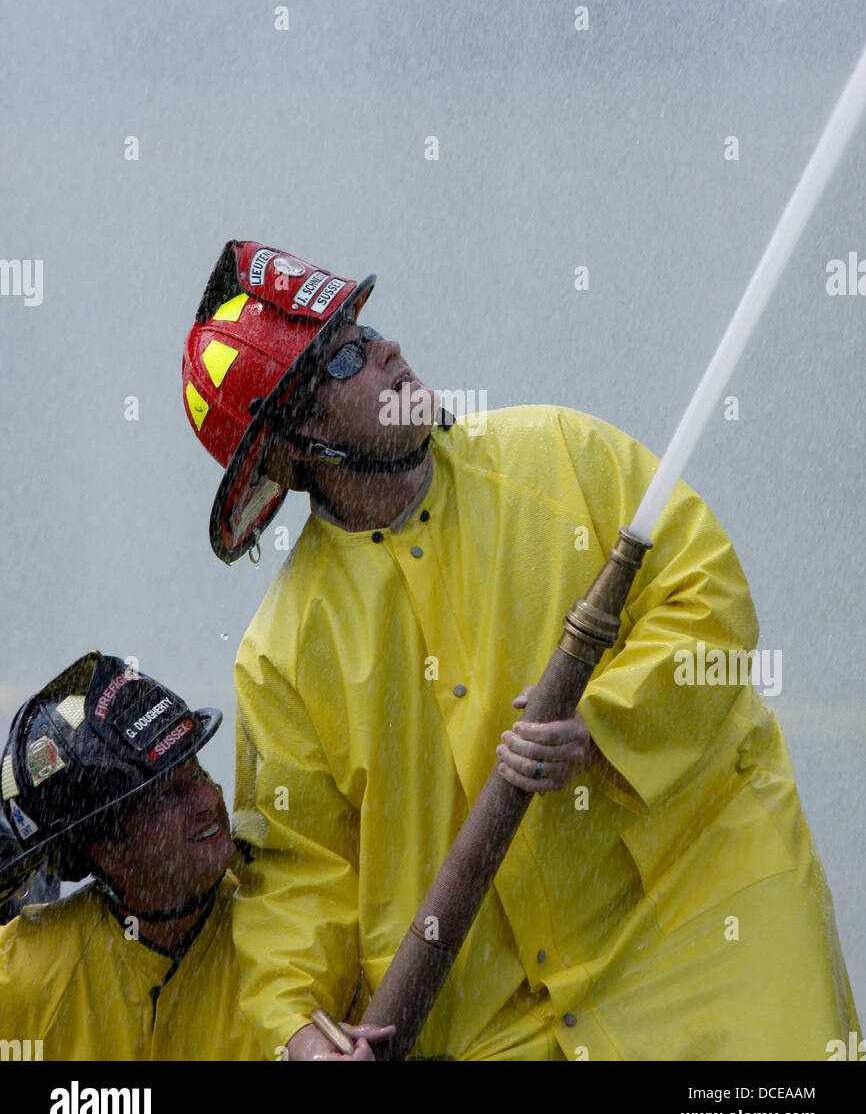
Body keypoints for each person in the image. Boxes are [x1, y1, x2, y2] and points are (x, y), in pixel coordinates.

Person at [182, 239, 860, 1061]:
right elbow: (300, 869)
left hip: (705, 935)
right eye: (345, 356)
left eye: (368, 327)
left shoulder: (559, 454)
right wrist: (295, 1027)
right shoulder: (282, 655)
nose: (388, 351)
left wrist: (603, 730)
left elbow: (707, 596)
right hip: (496, 1020)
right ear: (300, 441)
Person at [0, 651, 264, 1061]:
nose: (209, 798)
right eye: (169, 794)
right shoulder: (25, 979)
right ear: (109, 851)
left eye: (197, 772)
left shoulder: (286, 938)